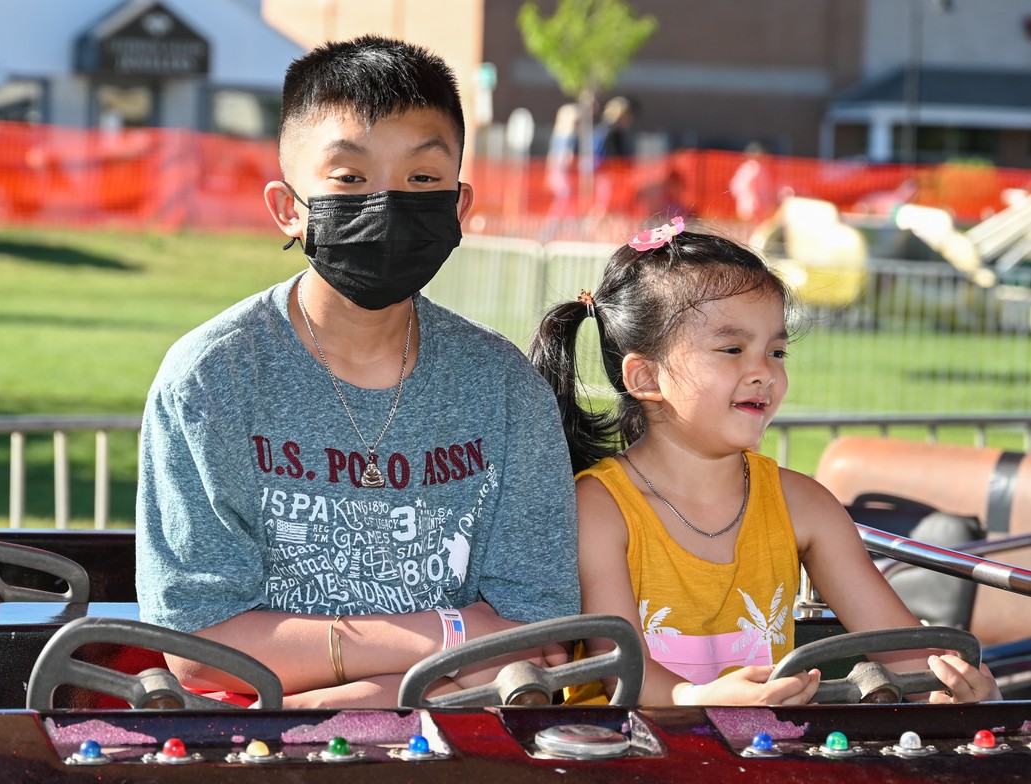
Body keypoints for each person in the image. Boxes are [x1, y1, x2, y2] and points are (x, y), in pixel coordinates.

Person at [135, 35, 579, 708]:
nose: (391, 203)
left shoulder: (505, 389)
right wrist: (444, 637)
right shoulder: (210, 380)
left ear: (458, 210)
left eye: (422, 180)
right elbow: (200, 649)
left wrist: (335, 701)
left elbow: (535, 640)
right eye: (349, 179)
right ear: (288, 207)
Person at [528, 216, 1000, 706]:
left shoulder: (804, 503)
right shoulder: (600, 507)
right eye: (732, 349)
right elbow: (626, 674)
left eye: (776, 351)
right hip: (630, 766)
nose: (764, 373)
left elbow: (904, 648)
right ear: (646, 378)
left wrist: (950, 685)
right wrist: (703, 699)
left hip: (763, 762)